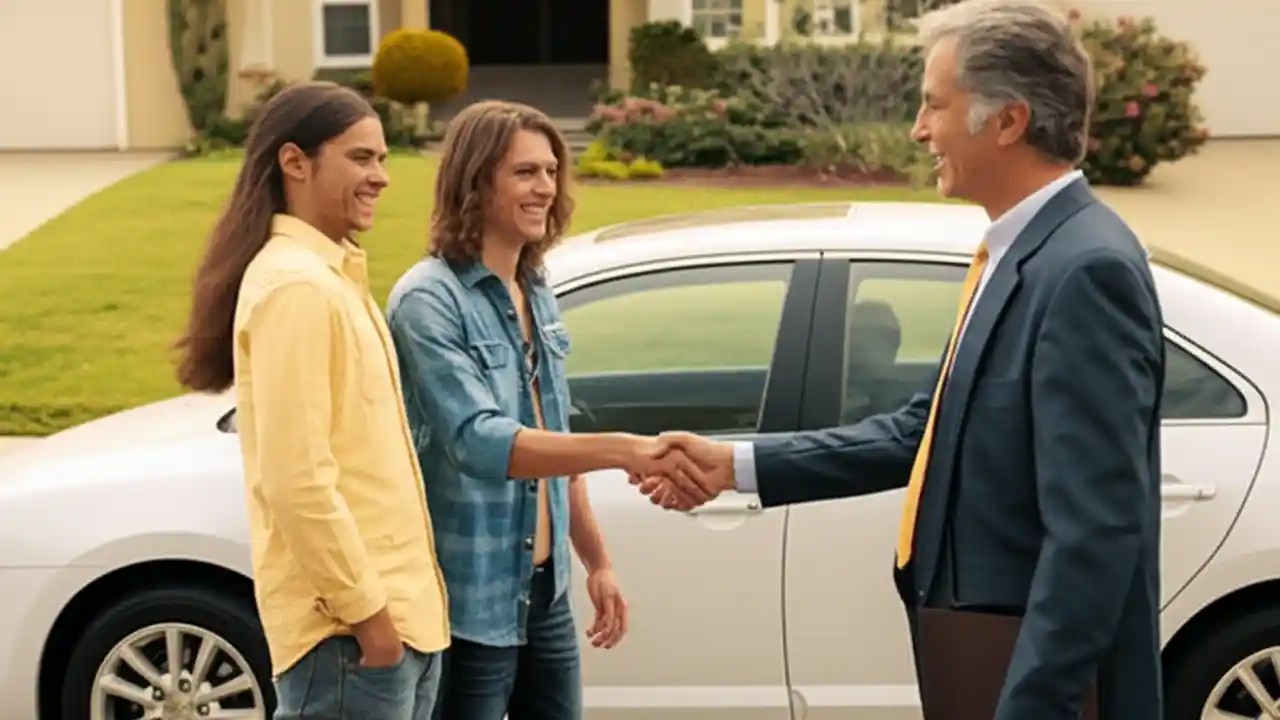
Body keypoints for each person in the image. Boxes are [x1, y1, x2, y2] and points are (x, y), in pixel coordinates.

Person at [637, 1, 1167, 718]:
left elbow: (1095, 534)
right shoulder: (1021, 255)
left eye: (933, 106)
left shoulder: (1084, 271)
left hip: (1030, 685)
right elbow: (923, 433)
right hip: (976, 654)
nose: (919, 130)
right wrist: (733, 466)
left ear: (1008, 121)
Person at [383, 99, 706, 720]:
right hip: (468, 602)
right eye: (525, 173)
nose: (546, 188)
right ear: (476, 182)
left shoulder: (535, 287)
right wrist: (626, 449)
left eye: (552, 172)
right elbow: (483, 442)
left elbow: (551, 439)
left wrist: (598, 562)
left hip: (544, 591)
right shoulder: (427, 301)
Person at [174, 81, 450, 719]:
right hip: (350, 640)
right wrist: (370, 618)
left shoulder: (335, 278)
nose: (381, 176)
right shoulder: (295, 289)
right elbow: (296, 480)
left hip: (399, 630)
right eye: (360, 158)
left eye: (382, 158)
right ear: (295, 163)